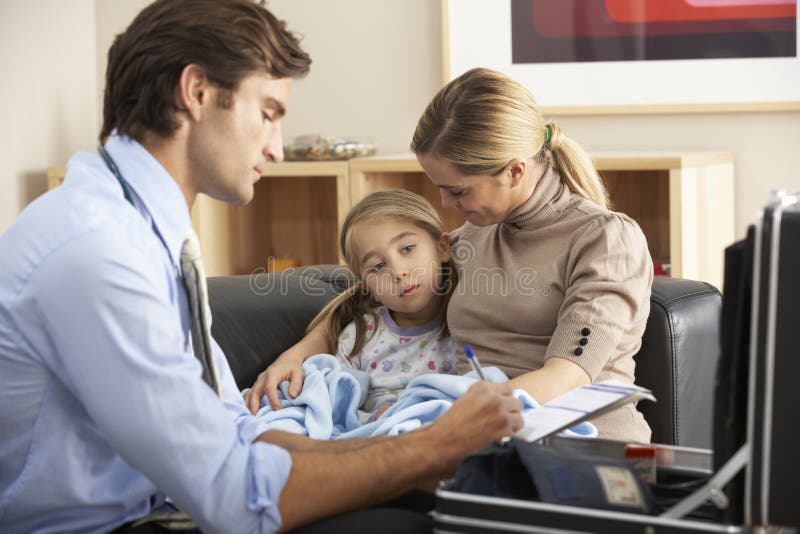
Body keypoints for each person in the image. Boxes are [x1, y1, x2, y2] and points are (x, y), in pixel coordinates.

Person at [0, 2, 523, 532]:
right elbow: (235, 501)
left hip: (171, 505)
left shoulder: (150, 233)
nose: (277, 149)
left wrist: (415, 448)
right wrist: (434, 448)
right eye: (269, 113)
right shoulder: (99, 253)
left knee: (441, 505)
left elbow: (239, 435)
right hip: (111, 526)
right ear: (197, 92)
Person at [253, 67, 652, 444]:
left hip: (579, 441)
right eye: (440, 188)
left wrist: (439, 422)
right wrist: (298, 354)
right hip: (477, 435)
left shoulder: (606, 240)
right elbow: (367, 294)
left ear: (514, 171)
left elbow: (567, 375)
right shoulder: (475, 235)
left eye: (458, 191)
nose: (444, 203)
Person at [245, 189, 458, 420]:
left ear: (442, 247)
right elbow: (339, 408)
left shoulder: (468, 319)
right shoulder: (358, 338)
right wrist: (374, 418)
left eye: (407, 249)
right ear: (365, 284)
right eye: (378, 266)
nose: (398, 272)